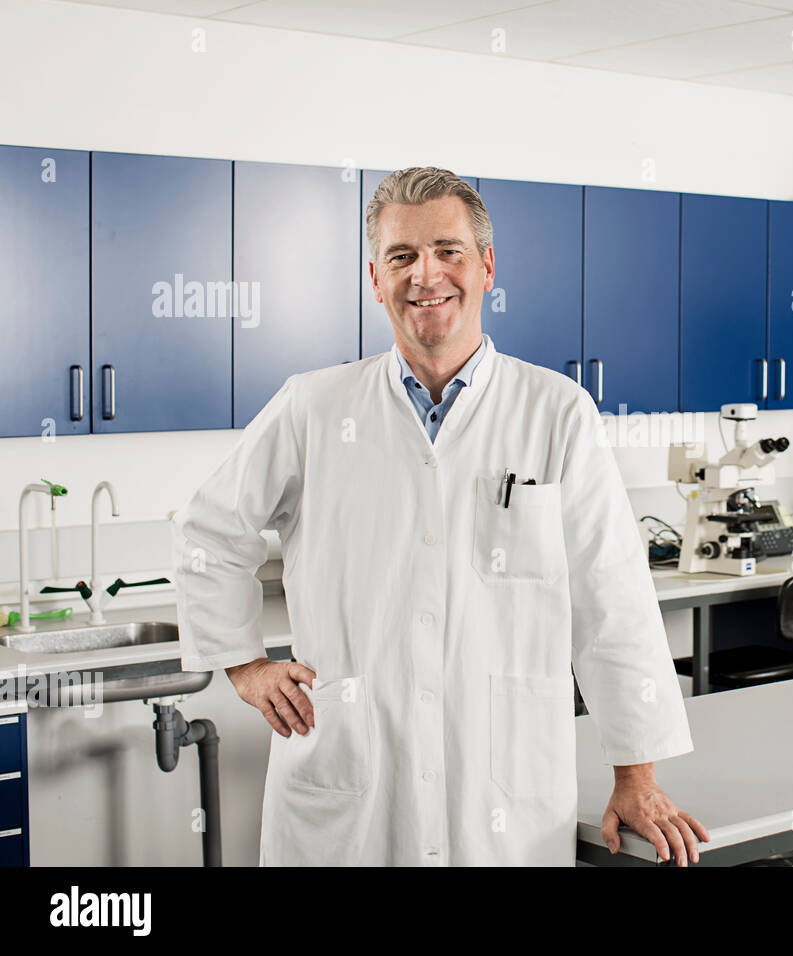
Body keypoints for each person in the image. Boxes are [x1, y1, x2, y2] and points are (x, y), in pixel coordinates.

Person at [173, 166, 707, 866]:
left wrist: (636, 776)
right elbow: (209, 530)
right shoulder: (314, 407)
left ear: (486, 268)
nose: (426, 274)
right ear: (376, 278)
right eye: (401, 257)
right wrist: (244, 665)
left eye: (448, 251)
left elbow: (612, 598)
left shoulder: (555, 412)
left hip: (502, 792)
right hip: (348, 785)